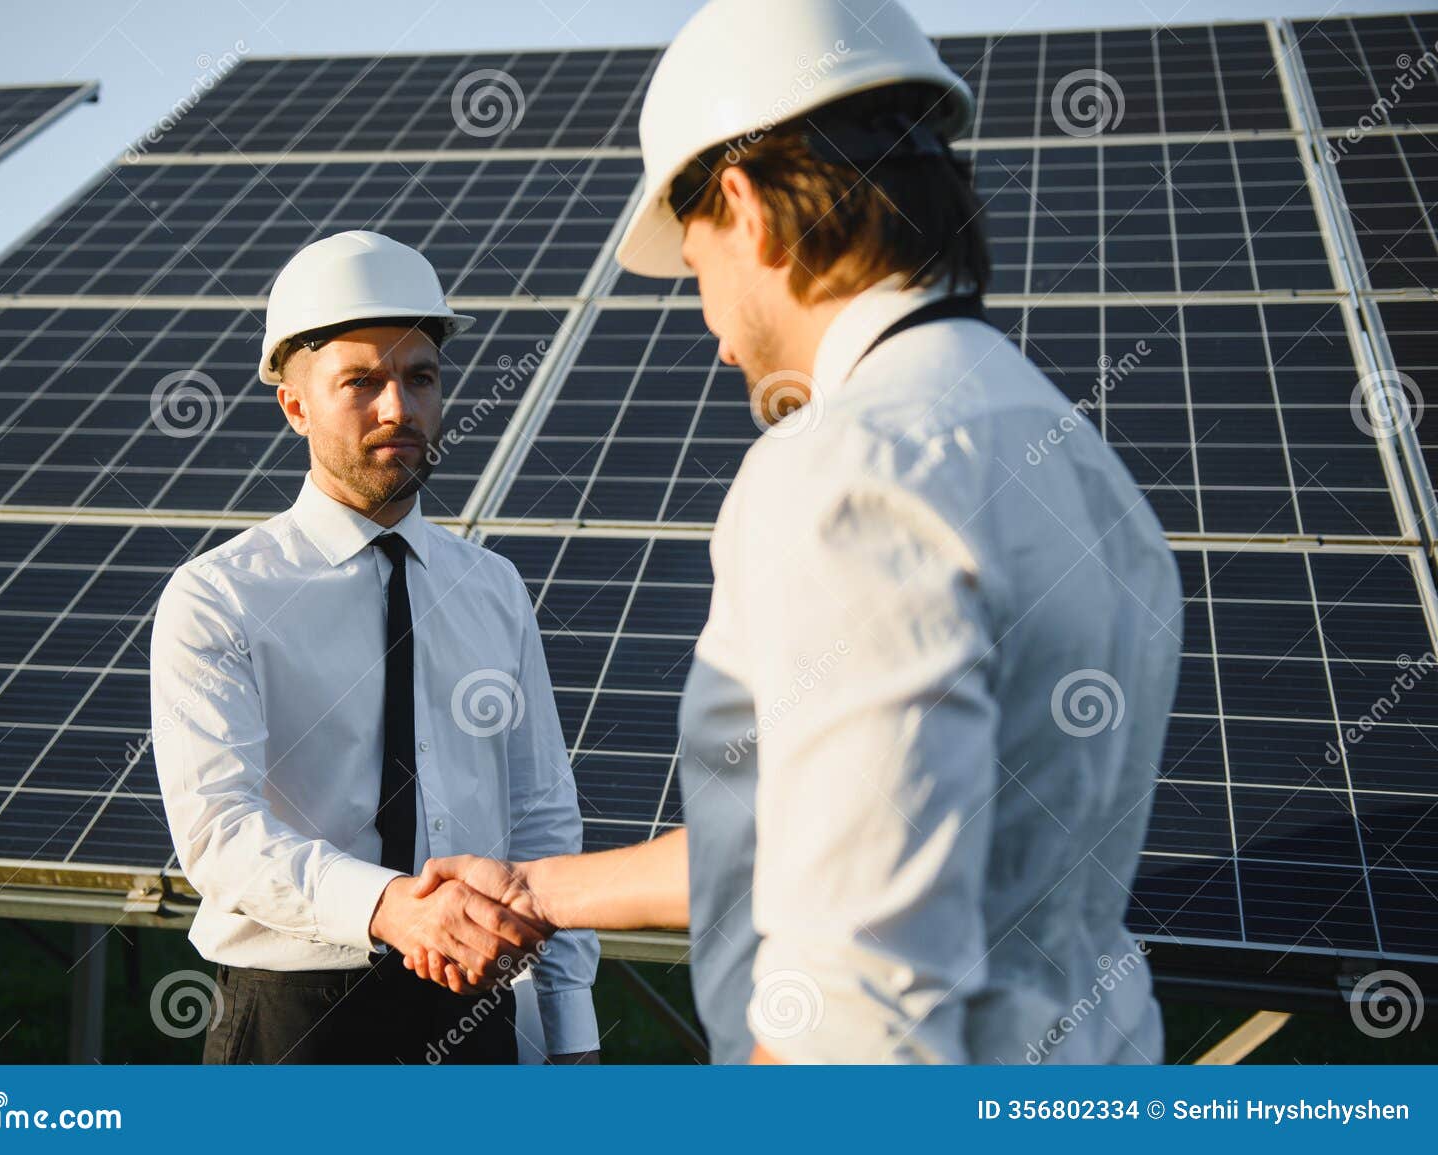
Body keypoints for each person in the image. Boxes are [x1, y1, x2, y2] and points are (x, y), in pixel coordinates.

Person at [406, 0, 1182, 1065]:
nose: (711, 322)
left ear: (745, 207)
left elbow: (860, 993)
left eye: (696, 263)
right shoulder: (1077, 460)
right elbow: (834, 832)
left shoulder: (845, 474)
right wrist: (538, 887)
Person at [150, 231, 598, 1065]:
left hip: (476, 1014)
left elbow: (540, 815)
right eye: (361, 381)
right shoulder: (218, 597)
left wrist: (568, 1025)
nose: (399, 408)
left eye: (420, 377)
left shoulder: (493, 587)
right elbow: (219, 831)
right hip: (294, 1028)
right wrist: (391, 904)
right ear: (295, 405)